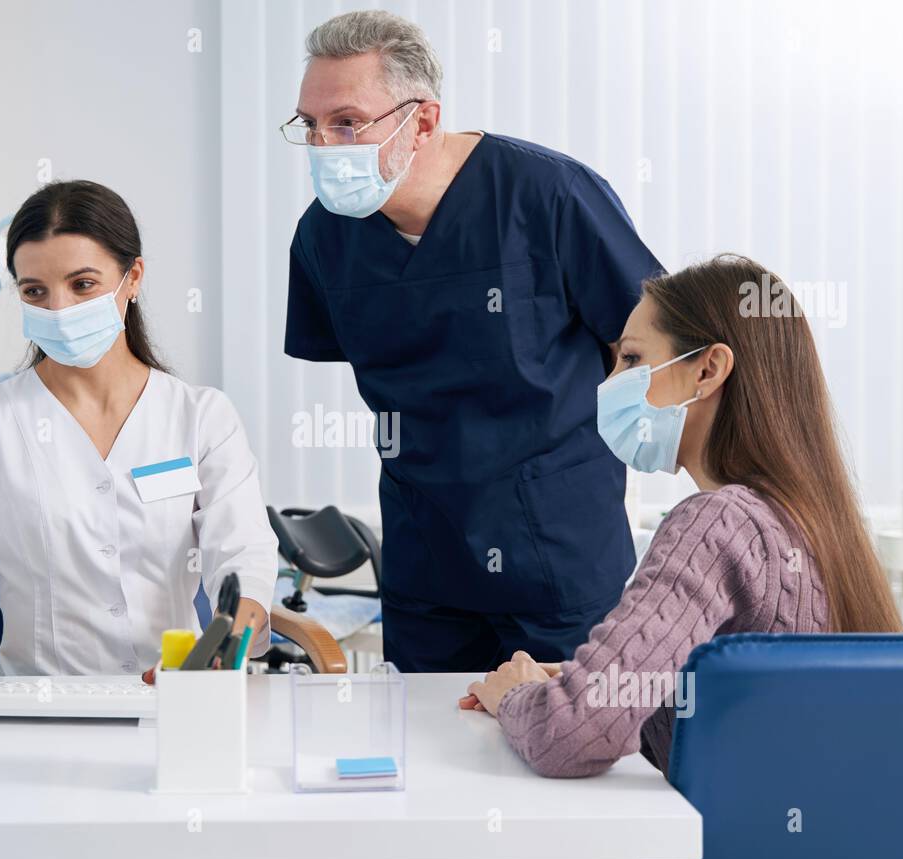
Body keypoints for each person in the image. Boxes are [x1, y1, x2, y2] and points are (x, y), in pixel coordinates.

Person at [281, 10, 663, 672]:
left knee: (570, 753)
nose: (323, 145)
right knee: (430, 758)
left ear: (422, 121)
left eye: (345, 122)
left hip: (557, 552)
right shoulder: (324, 237)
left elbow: (651, 343)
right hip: (425, 559)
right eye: (309, 126)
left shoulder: (548, 196)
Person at [461, 255, 903, 777]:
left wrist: (519, 696)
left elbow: (570, 734)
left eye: (629, 359)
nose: (609, 383)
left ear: (708, 369)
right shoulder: (813, 520)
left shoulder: (717, 522)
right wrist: (606, 681)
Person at [0, 180, 277, 677]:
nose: (59, 310)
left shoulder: (202, 417)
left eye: (83, 285)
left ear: (133, 278)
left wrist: (225, 642)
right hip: (38, 714)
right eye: (35, 291)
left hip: (175, 703)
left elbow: (242, 553)